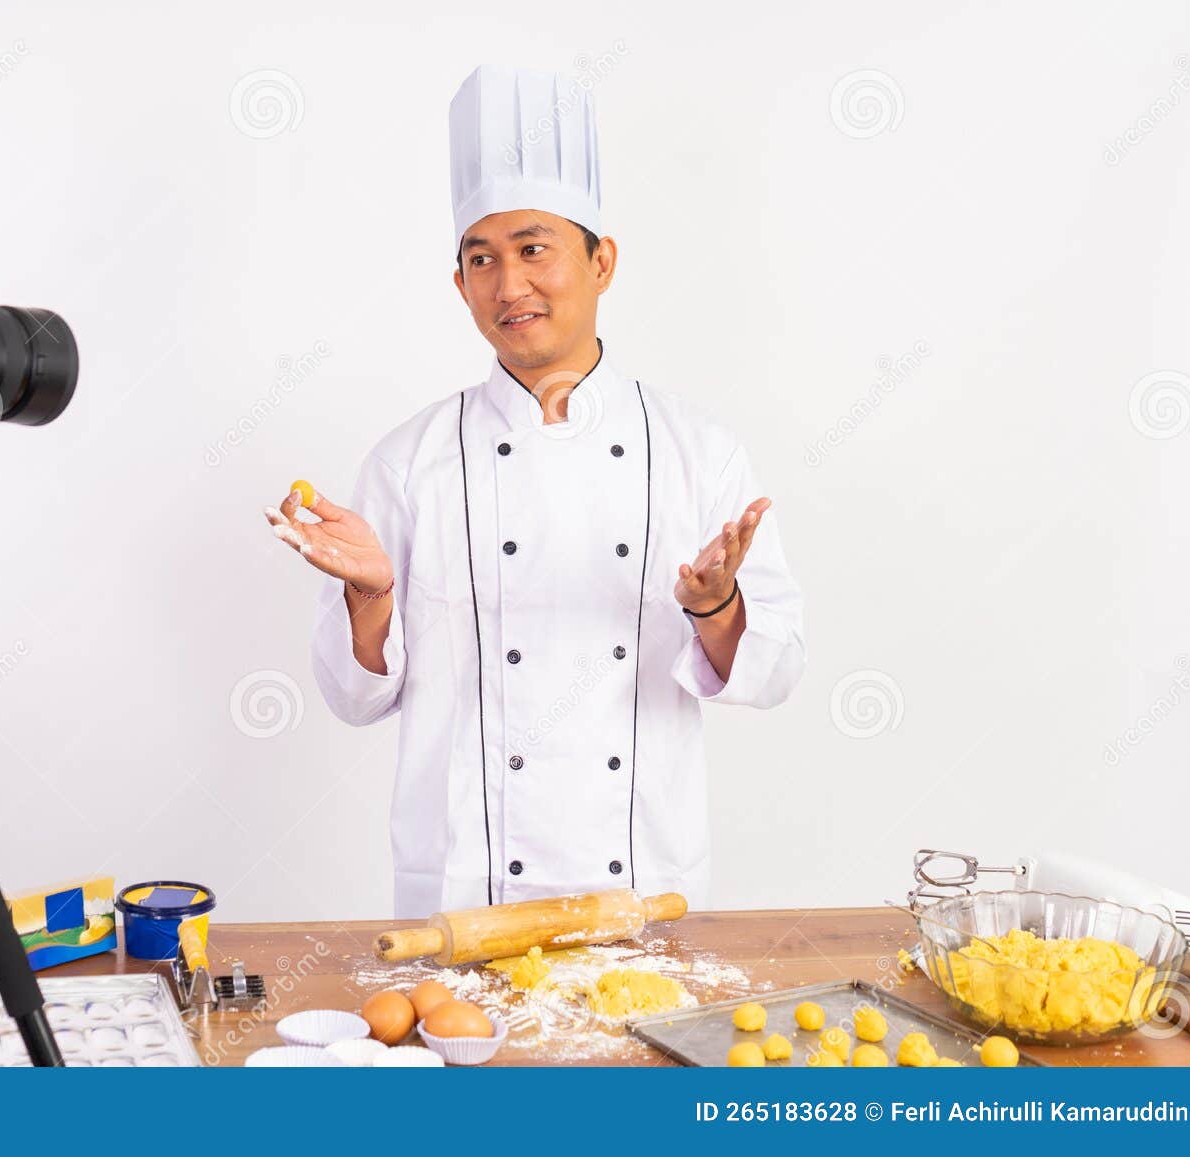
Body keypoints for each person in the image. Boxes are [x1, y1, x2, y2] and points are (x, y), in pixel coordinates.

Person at [265, 65, 804, 917]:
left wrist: (715, 607)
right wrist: (370, 596)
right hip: (464, 895)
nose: (508, 285)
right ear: (460, 285)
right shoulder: (409, 461)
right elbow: (353, 696)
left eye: (533, 248)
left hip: (644, 888)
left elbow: (774, 673)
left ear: (602, 261)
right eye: (481, 259)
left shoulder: (698, 451)